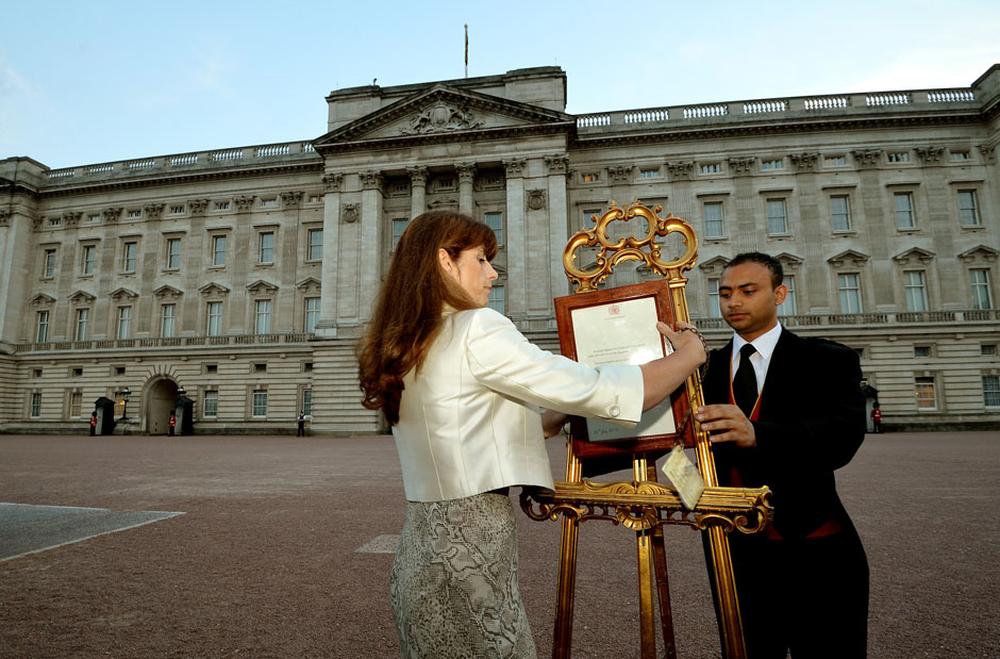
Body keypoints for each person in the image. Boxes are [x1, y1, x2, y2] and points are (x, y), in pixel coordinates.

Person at [358, 210, 706, 658]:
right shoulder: (477, 326)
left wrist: (557, 414)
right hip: (471, 545)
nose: (492, 272)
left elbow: (470, 426)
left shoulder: (410, 339)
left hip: (421, 547)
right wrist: (690, 355)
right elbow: (607, 389)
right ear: (446, 261)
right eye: (481, 259)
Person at [696, 252, 868, 658]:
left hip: (817, 549)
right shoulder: (702, 370)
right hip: (735, 553)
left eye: (747, 291)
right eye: (724, 293)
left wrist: (758, 434)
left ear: (780, 294)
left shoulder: (829, 360)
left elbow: (843, 438)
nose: (733, 301)